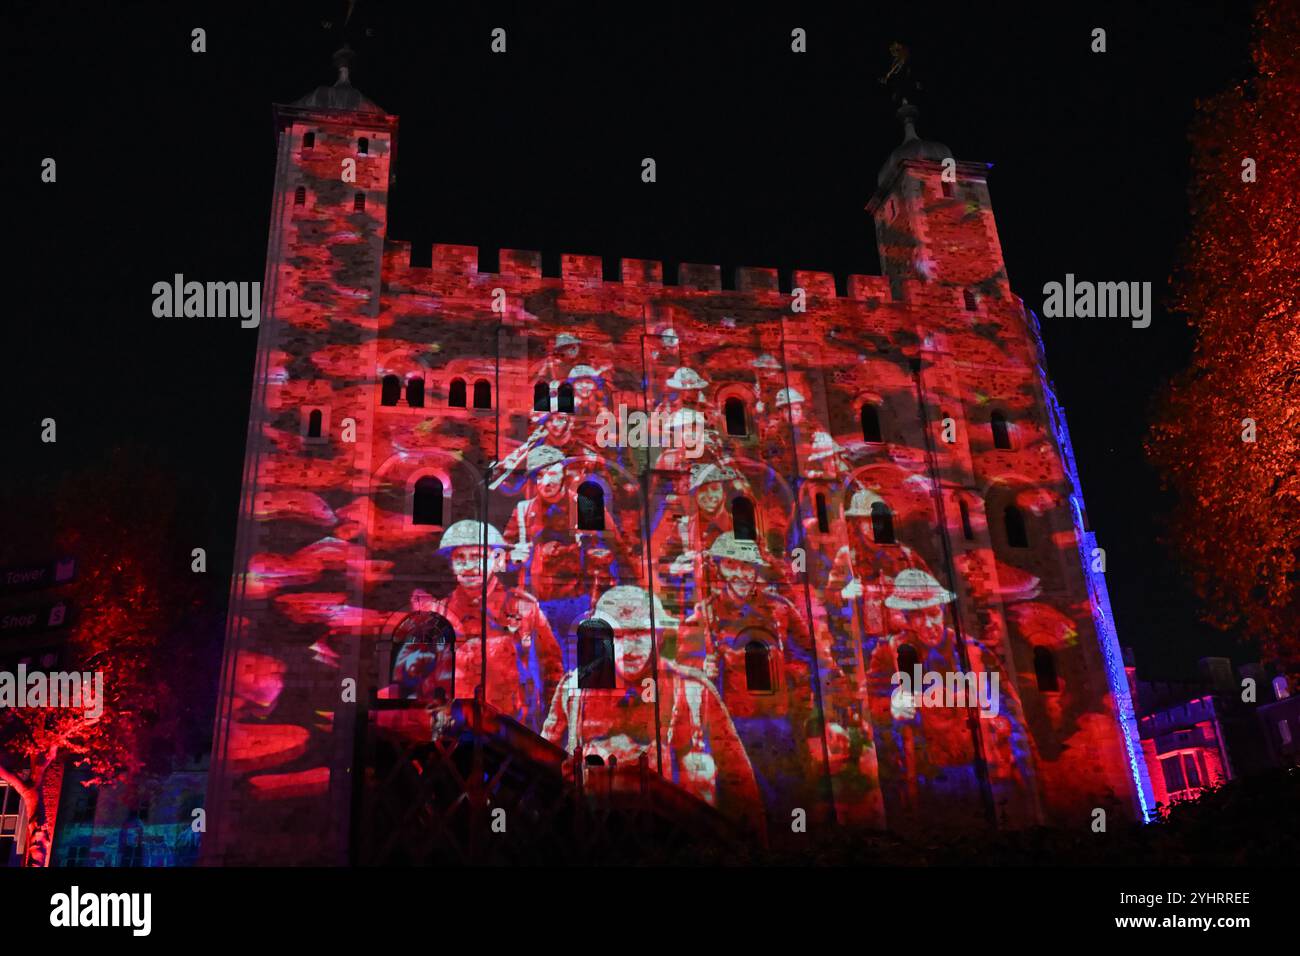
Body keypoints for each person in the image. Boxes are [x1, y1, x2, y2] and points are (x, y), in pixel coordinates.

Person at [541, 585, 763, 830]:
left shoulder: (694, 689)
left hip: (677, 840)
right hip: (596, 839)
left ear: (657, 635)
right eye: (617, 636)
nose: (628, 648)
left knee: (698, 767)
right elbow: (543, 765)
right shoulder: (573, 690)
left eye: (638, 634)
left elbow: (739, 781)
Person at [397, 519, 563, 733]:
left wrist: (546, 723)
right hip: (455, 731)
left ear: (498, 560)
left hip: (514, 730)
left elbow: (553, 667)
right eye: (460, 559)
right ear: (451, 564)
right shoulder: (438, 615)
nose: (468, 567)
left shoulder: (524, 608)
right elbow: (408, 672)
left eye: (477, 557)